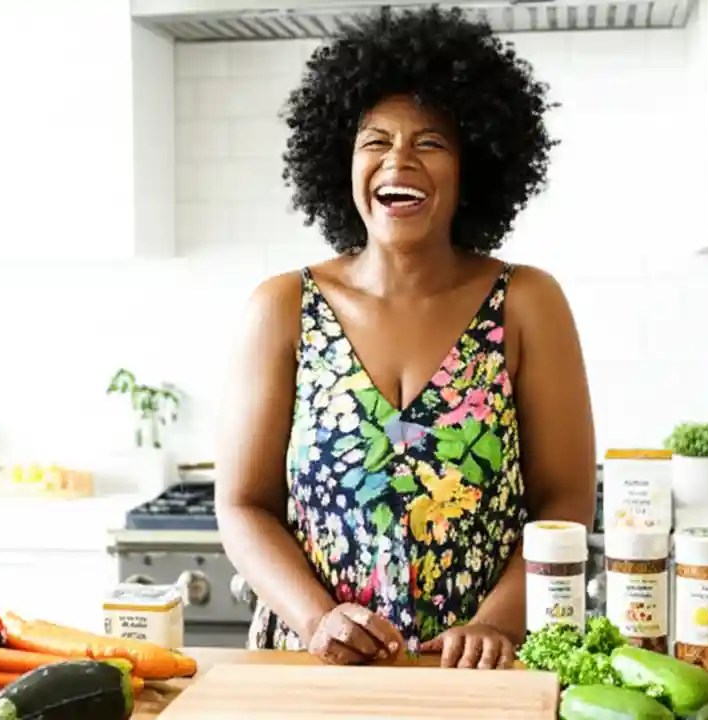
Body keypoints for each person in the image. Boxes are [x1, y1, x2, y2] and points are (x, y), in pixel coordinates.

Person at [216, 6, 596, 670]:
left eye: (431, 142)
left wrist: (496, 625)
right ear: (342, 160)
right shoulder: (282, 307)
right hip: (311, 672)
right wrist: (316, 621)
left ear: (471, 167)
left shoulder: (527, 302)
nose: (400, 159)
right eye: (376, 141)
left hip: (482, 671)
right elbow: (243, 506)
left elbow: (565, 500)